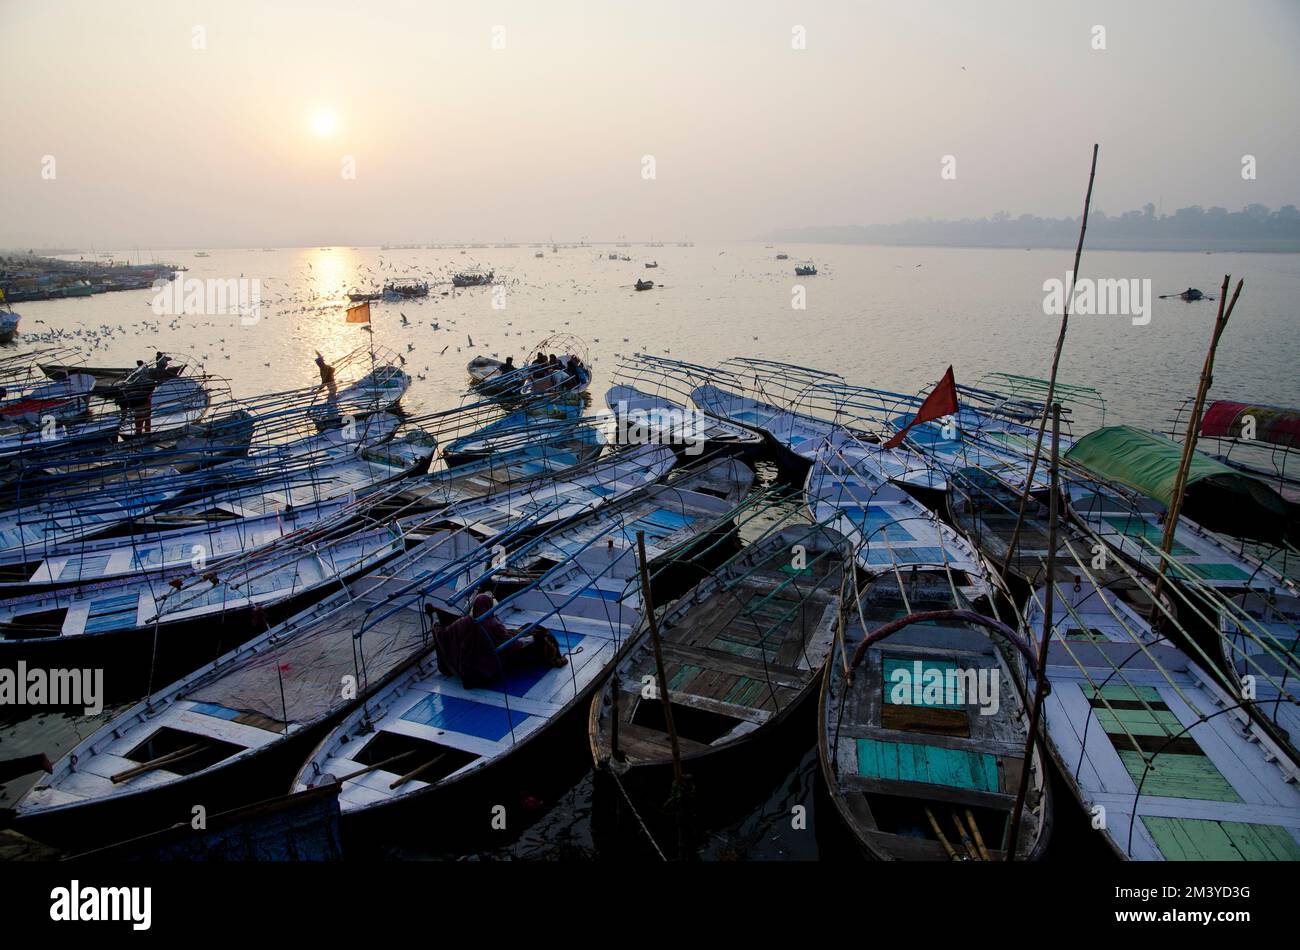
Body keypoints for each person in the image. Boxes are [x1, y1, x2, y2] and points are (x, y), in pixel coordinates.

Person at [432, 592, 566, 689]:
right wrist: (532, 638)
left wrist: (435, 622)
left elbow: (444, 634)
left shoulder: (465, 621)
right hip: (487, 666)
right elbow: (512, 646)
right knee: (537, 638)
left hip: (466, 667)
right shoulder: (494, 624)